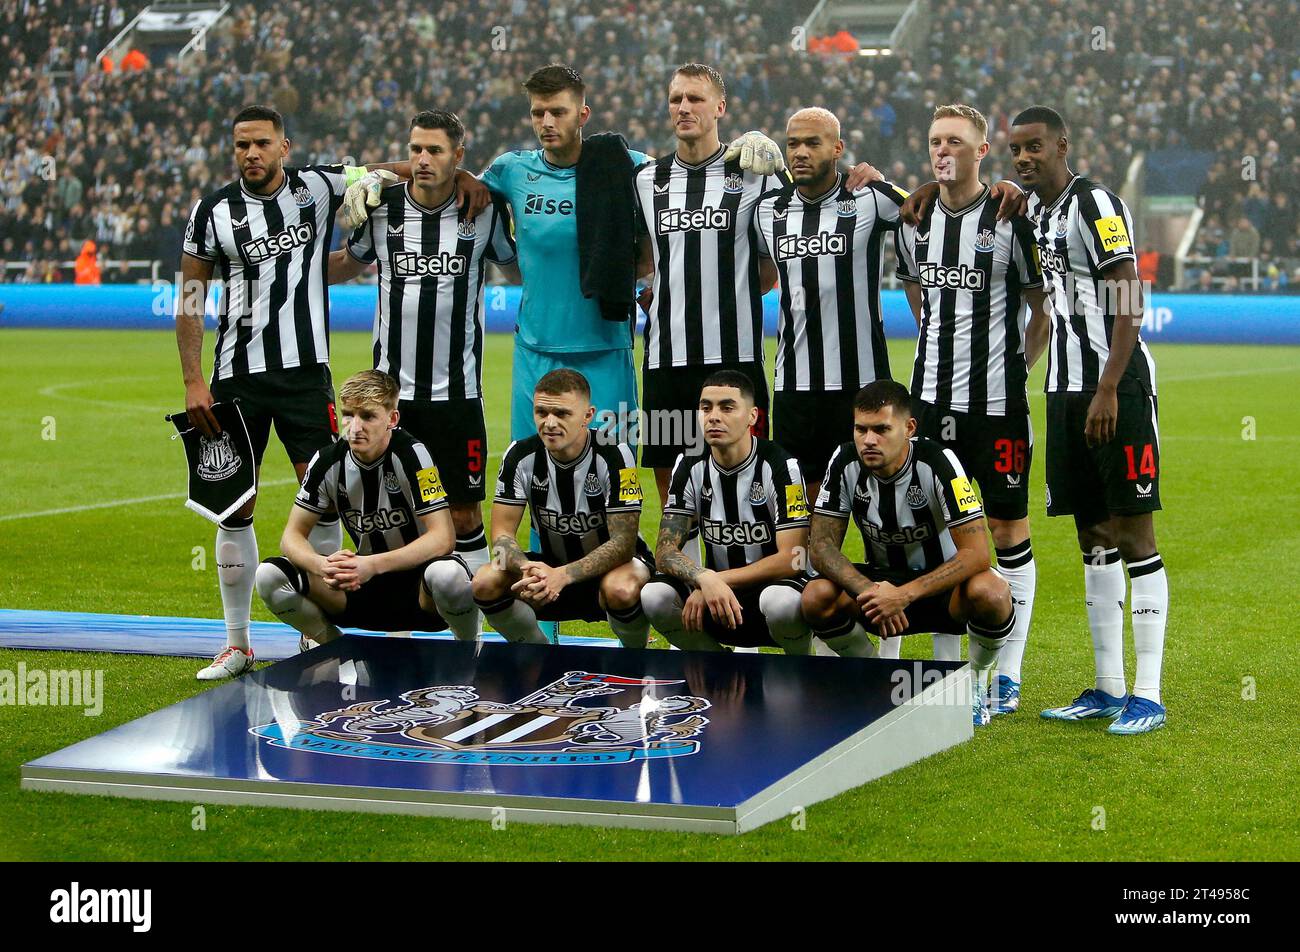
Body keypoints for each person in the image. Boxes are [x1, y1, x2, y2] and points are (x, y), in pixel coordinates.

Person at [1008, 106, 1168, 734]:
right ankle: (1107, 687)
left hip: (1116, 388)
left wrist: (1108, 386)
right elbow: (1047, 307)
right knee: (1091, 536)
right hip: (1066, 393)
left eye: (1035, 147)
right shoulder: (1037, 213)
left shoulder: (1095, 203)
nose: (1024, 158)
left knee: (1134, 536)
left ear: (1062, 145)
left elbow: (1129, 296)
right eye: (1016, 150)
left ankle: (1149, 695)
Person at [893, 104, 1050, 715]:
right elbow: (912, 284)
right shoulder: (917, 215)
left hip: (997, 406)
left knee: (1008, 530)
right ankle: (944, 672)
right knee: (931, 533)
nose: (942, 151)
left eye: (955, 141)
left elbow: (1042, 307)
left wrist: (1017, 367)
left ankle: (1006, 674)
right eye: (934, 141)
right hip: (929, 407)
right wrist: (934, 333)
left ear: (982, 150)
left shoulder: (1014, 217)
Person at [328, 110, 516, 617]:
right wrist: (290, 276)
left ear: (459, 155)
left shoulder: (485, 210)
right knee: (387, 507)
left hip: (456, 396)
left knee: (462, 511)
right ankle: (397, 614)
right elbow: (350, 259)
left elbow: (519, 266)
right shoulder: (382, 206)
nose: (423, 159)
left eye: (435, 151)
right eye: (415, 150)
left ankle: (480, 626)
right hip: (389, 400)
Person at [801, 380, 1015, 725]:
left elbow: (977, 555)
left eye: (881, 429)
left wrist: (903, 595)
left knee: (992, 592)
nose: (869, 440)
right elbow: (822, 547)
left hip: (941, 592)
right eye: (861, 429)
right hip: (880, 590)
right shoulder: (844, 461)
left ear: (908, 428)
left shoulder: (939, 463)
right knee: (815, 596)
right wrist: (872, 592)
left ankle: (974, 685)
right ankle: (873, 679)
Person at [754, 106, 908, 499]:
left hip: (863, 381)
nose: (800, 152)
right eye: (793, 144)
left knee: (880, 490)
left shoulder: (870, 197)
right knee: (800, 497)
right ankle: (804, 563)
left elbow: (927, 208)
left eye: (812, 143)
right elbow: (757, 273)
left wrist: (884, 179)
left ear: (838, 148)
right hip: (795, 383)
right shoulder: (769, 211)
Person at [254, 370, 470, 647]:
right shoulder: (327, 461)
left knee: (448, 575)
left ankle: (468, 651)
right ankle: (334, 648)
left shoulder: (412, 455)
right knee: (269, 576)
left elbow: (443, 538)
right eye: (348, 415)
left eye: (367, 416)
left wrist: (370, 565)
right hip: (359, 587)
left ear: (392, 419)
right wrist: (323, 566)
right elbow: (291, 538)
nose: (354, 428)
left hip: (419, 592)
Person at [468, 369, 654, 648]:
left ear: (588, 416)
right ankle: (536, 651)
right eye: (541, 412)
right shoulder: (519, 455)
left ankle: (635, 655)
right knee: (485, 581)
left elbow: (623, 544)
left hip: (616, 568)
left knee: (621, 589)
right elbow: (502, 537)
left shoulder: (615, 453)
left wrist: (562, 575)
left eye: (562, 414)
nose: (549, 423)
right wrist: (527, 568)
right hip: (549, 567)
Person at [641, 370, 811, 654]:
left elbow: (792, 560)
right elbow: (665, 552)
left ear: (752, 416)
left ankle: (800, 663)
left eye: (727, 407)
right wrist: (704, 578)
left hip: (770, 592)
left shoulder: (781, 467)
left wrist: (716, 579)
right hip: (713, 593)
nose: (714, 416)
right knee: (655, 595)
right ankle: (716, 664)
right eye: (705, 407)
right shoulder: (689, 464)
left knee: (780, 602)